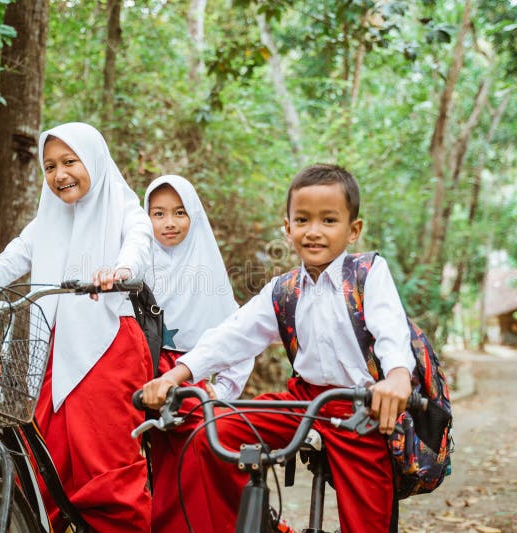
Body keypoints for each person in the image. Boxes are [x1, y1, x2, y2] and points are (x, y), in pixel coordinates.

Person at [141, 163, 415, 533]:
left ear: (354, 230)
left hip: (360, 407)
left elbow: (391, 330)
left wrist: (397, 377)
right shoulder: (284, 290)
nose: (313, 231)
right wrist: (175, 375)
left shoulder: (367, 274)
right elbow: (233, 335)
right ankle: (246, 522)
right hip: (302, 401)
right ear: (288, 228)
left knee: (368, 520)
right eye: (302, 220)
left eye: (328, 220)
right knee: (209, 433)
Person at [0, 122, 154, 532]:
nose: (59, 174)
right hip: (53, 355)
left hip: (108, 350)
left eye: (70, 161)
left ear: (93, 160)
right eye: (50, 166)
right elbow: (4, 266)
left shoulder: (123, 209)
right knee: (41, 470)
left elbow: (139, 244)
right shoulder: (46, 224)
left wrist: (120, 271)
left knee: (107, 472)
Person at [143, 174, 254, 532]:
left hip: (190, 385)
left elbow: (240, 339)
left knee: (197, 452)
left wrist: (221, 391)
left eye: (180, 212)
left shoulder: (208, 272)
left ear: (194, 216)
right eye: (158, 213)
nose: (169, 223)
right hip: (141, 376)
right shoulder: (137, 265)